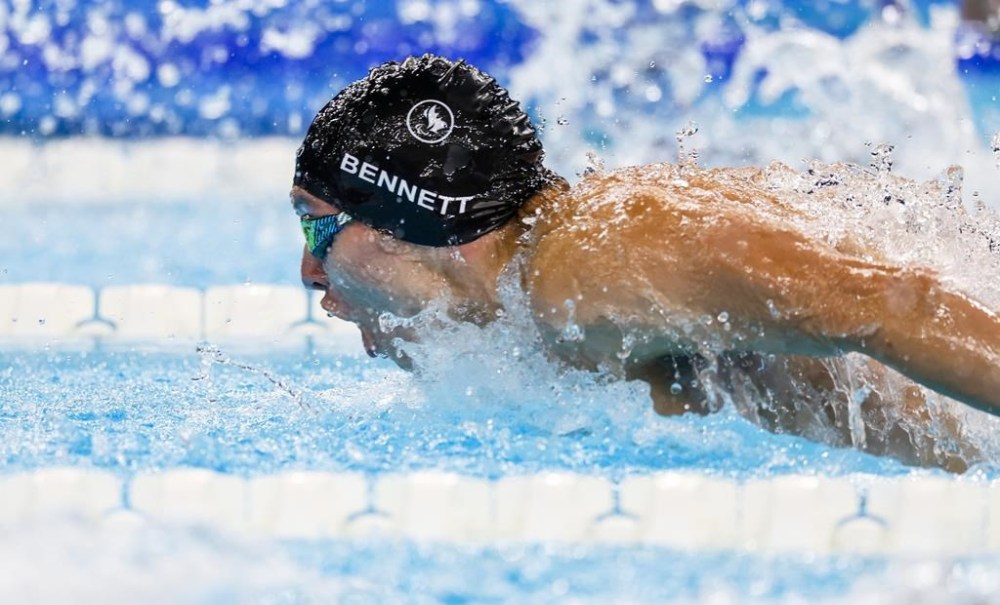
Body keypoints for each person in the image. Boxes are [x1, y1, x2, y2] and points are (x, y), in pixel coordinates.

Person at [291, 54, 1000, 472]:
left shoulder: (596, 262)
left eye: (317, 224)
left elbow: (889, 304)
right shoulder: (533, 302)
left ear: (405, 218)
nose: (308, 270)